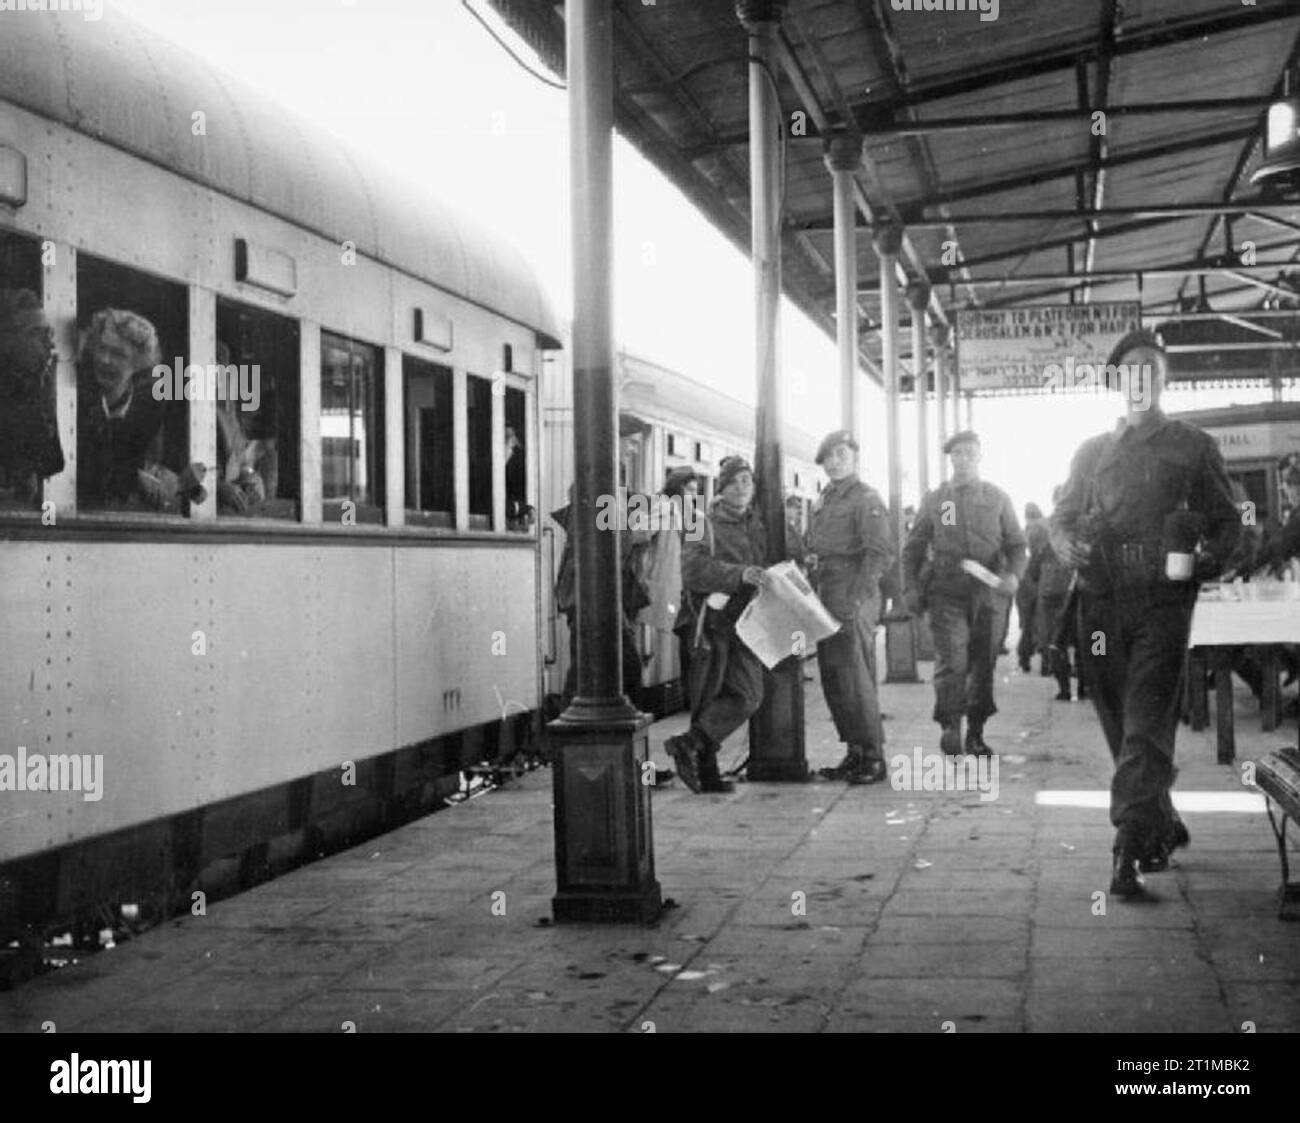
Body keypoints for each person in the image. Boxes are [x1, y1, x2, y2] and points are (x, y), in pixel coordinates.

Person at [1050, 330, 1241, 897]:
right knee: (1116, 715)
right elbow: (1061, 517)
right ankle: (1159, 819)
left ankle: (1128, 845)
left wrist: (1210, 558)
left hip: (1162, 600)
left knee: (1148, 715)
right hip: (1101, 604)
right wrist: (1066, 545)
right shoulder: (1090, 452)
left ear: (1163, 379)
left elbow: (1228, 522)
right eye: (1127, 370)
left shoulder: (1192, 446)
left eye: (1149, 369)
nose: (1138, 379)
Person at [904, 430, 1027, 756]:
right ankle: (950, 725)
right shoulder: (938, 499)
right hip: (946, 590)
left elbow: (1016, 544)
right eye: (957, 453)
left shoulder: (998, 498)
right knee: (952, 661)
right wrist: (910, 588)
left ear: (979, 456)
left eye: (970, 453)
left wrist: (1014, 575)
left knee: (983, 663)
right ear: (950, 458)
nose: (963, 459)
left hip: (989, 595)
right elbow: (913, 547)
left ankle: (976, 731)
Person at [666, 455, 770, 794]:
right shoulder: (700, 521)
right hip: (709, 622)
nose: (742, 487)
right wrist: (739, 574)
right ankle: (706, 773)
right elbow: (692, 570)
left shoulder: (759, 523)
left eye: (747, 481)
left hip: (746, 621)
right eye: (734, 481)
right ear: (722, 487)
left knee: (748, 694)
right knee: (707, 694)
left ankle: (689, 742)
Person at [804, 429, 893, 784]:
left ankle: (873, 755)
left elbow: (879, 553)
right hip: (826, 591)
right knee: (834, 675)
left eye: (841, 454)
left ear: (855, 457)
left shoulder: (866, 498)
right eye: (828, 456)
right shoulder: (826, 498)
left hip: (852, 592)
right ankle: (854, 752)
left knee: (856, 676)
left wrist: (858, 598)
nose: (834, 461)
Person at [77, 308, 205, 511]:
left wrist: (182, 485)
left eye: (118, 354)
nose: (104, 359)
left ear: (139, 362)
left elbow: (150, 469)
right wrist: (134, 478)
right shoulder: (76, 399)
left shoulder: (149, 409)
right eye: (101, 348)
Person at [0, 288, 64, 507]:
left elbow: (53, 464)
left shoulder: (31, 390)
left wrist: (47, 393)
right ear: (7, 339)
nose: (51, 344)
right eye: (39, 334)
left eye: (50, 334)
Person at [1029, 487, 1079, 701]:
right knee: (1094, 637)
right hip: (1080, 589)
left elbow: (1034, 561)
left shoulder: (1043, 527)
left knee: (1053, 639)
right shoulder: (1086, 524)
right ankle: (1092, 684)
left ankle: (1064, 687)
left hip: (1050, 590)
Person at [1016, 503, 1048, 673]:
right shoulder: (1048, 527)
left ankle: (1025, 658)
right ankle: (1046, 662)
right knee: (1045, 624)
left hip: (1028, 582)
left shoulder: (1027, 530)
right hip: (1047, 582)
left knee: (1028, 624)